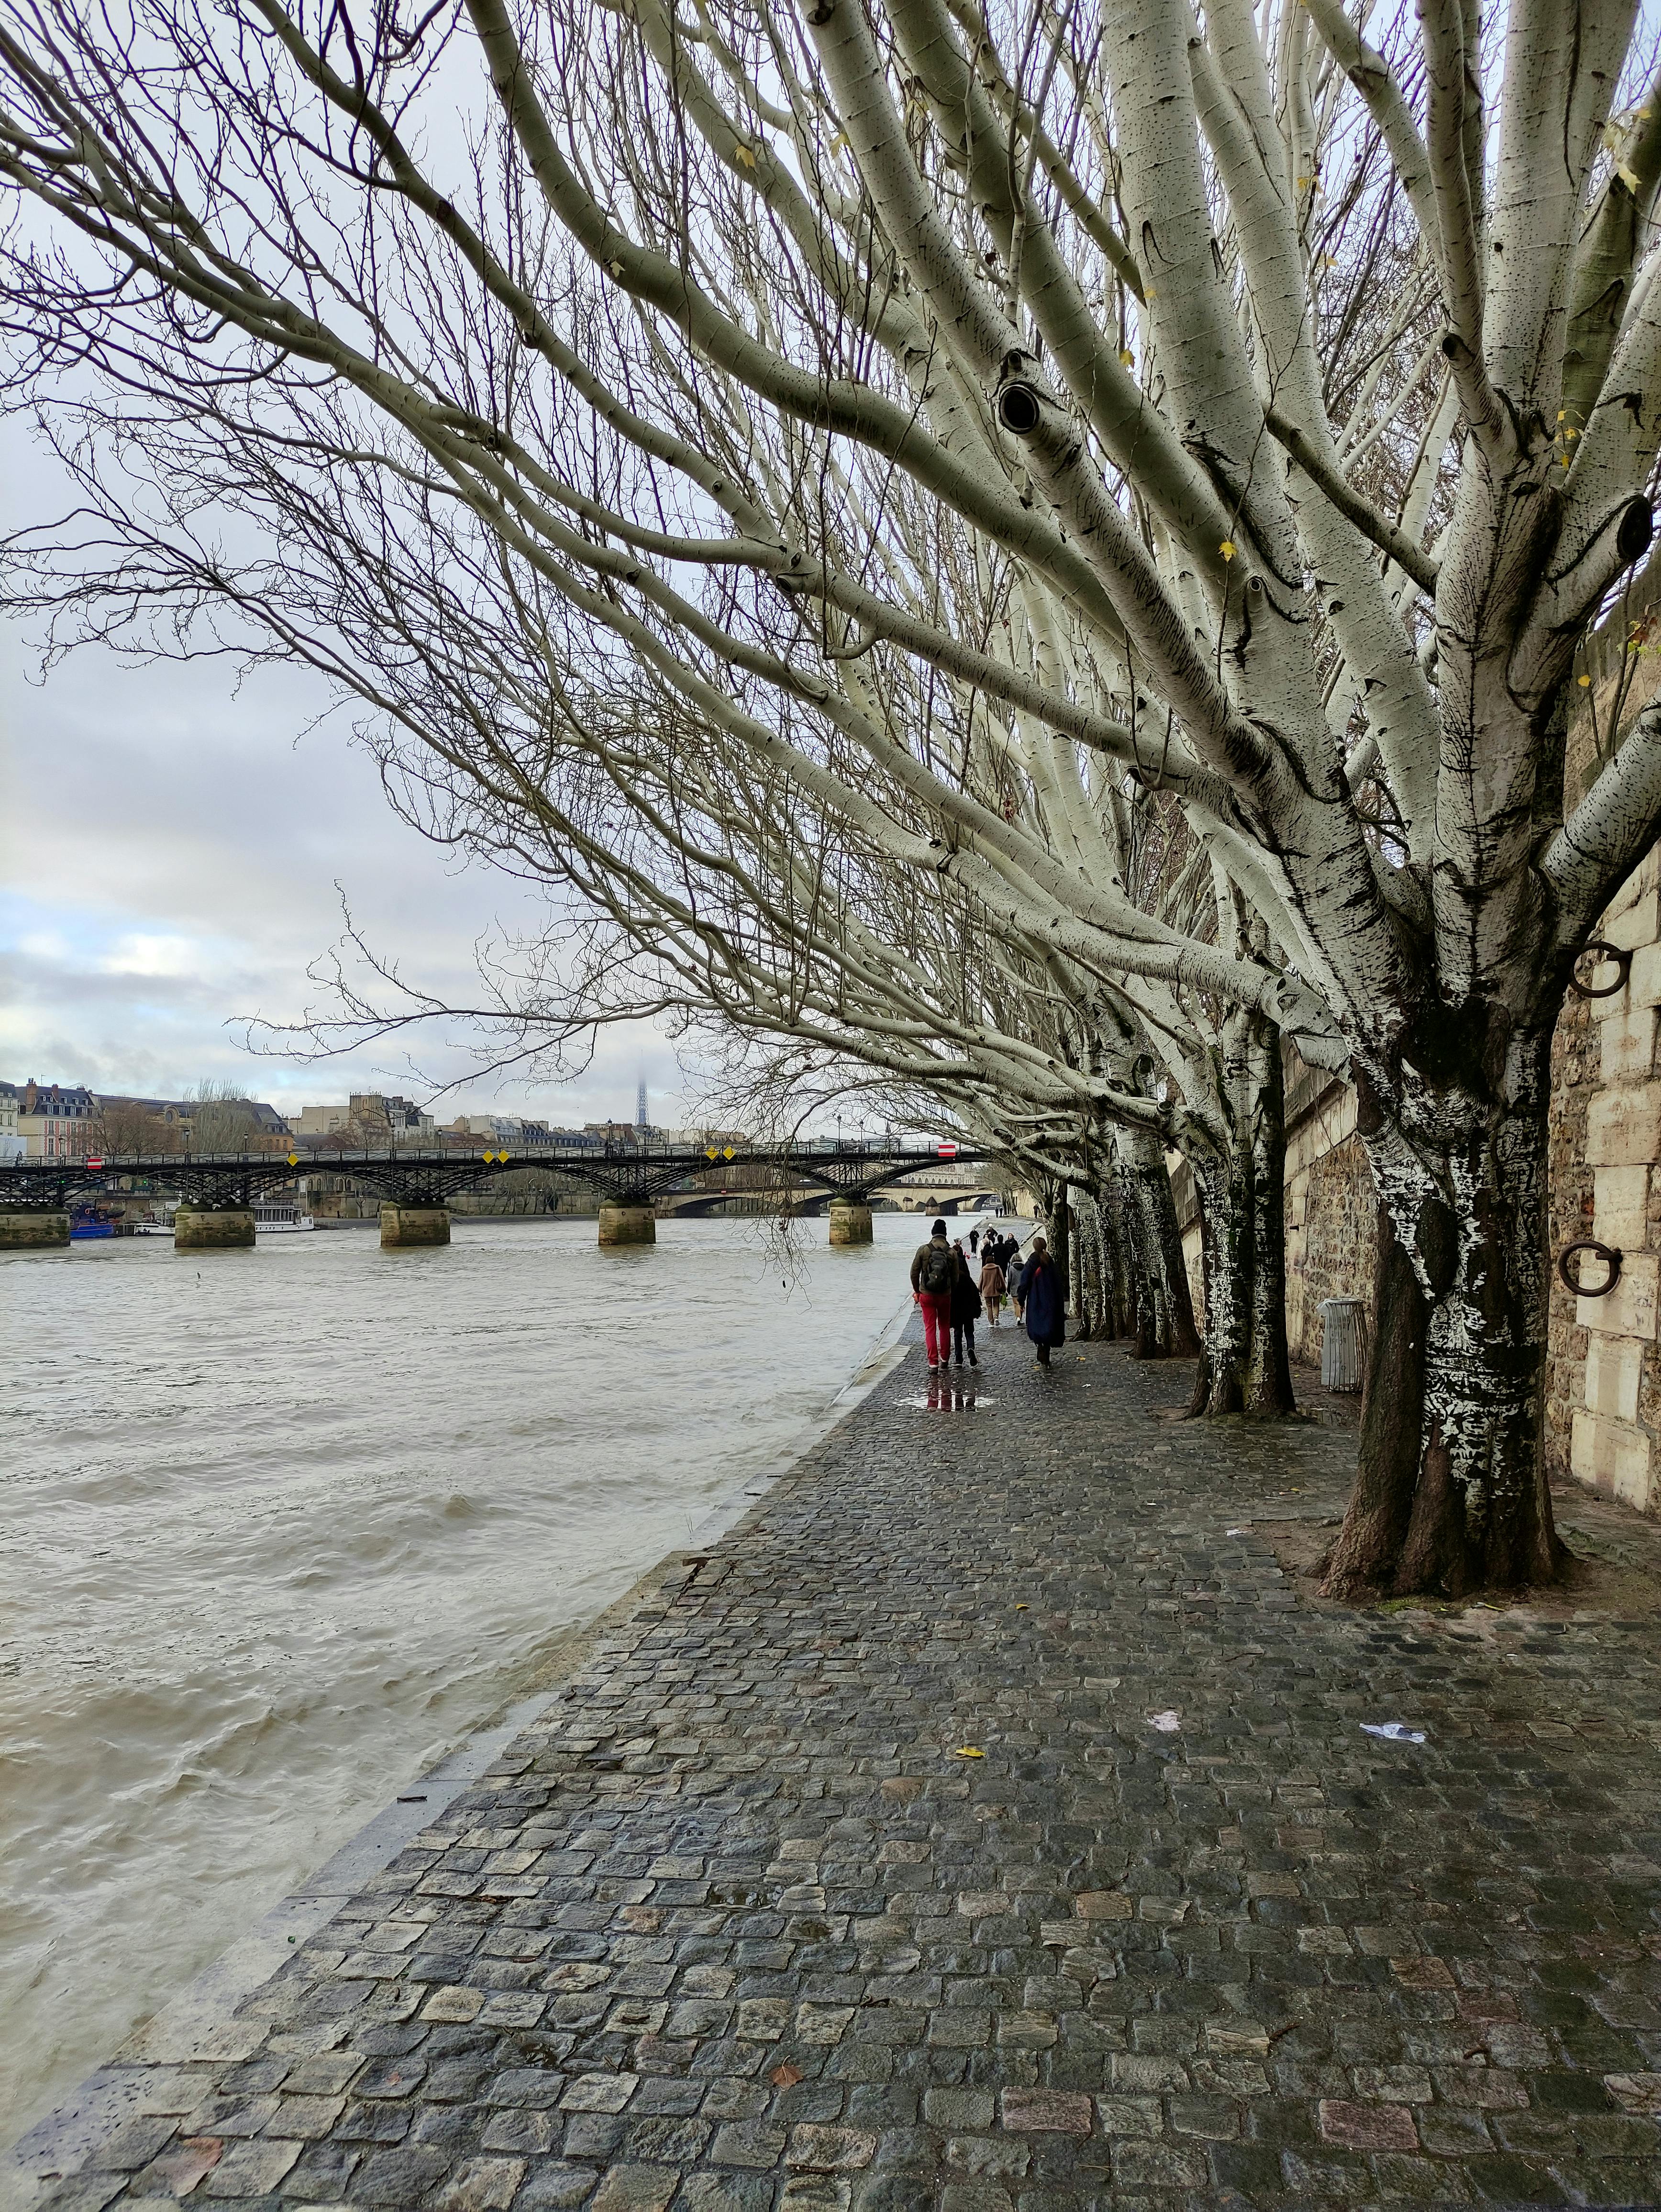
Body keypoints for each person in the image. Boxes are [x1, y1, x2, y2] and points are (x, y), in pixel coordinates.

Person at [909, 1217, 957, 1373]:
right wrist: (950, 1291)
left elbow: (914, 1272)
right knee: (944, 1327)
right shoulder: (951, 1252)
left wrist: (917, 1290)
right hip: (945, 1296)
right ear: (945, 1234)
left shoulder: (924, 1250)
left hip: (927, 1295)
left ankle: (933, 1363)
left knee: (930, 1329)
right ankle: (945, 1360)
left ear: (933, 1233)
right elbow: (956, 1278)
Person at [1016, 1235, 1066, 1367]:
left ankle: (1041, 1347)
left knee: (1038, 1326)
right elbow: (1058, 1282)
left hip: (1036, 1300)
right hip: (1051, 1299)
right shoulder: (1051, 1262)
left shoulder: (1032, 1263)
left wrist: (1020, 1300)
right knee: (1049, 1326)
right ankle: (1046, 1351)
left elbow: (1024, 1283)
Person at [951, 1240, 982, 1366]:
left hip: (956, 1311)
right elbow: (976, 1295)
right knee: (970, 1332)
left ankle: (958, 1358)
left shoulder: (952, 1282)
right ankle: (971, 1349)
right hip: (968, 1311)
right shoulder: (967, 1279)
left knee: (958, 1333)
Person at [978, 1245, 1006, 1327]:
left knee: (989, 1306)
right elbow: (1002, 1279)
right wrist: (1004, 1289)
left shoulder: (984, 1269)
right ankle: (996, 1317)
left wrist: (980, 1290)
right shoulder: (997, 1268)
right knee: (996, 1304)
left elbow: (981, 1281)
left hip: (987, 1291)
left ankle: (991, 1322)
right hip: (996, 1290)